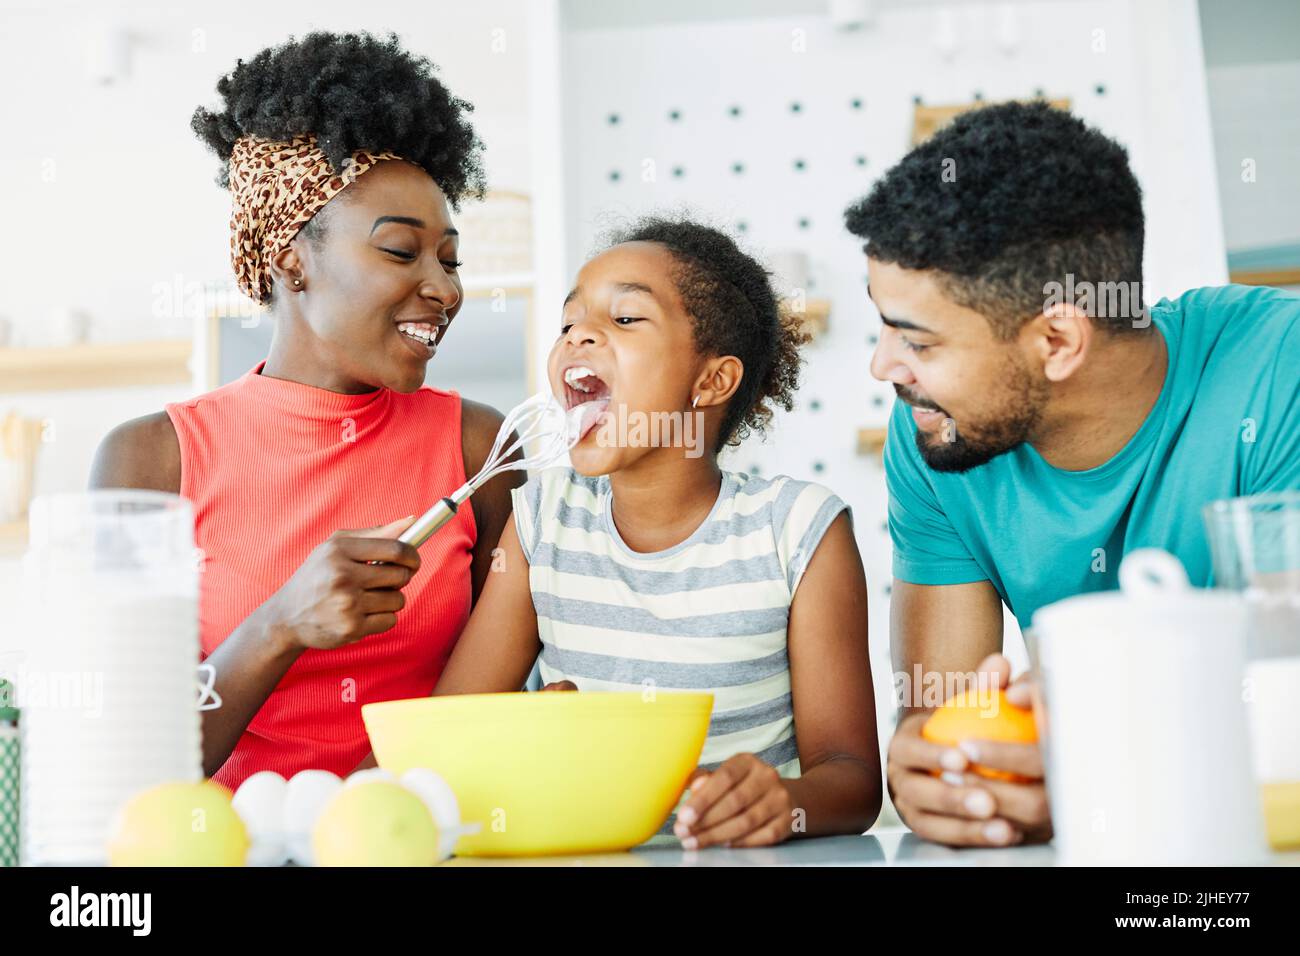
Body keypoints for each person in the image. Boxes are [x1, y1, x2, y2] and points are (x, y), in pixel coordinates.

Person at [843, 101, 1300, 847]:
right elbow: (941, 714)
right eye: (883, 324)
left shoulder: (1280, 370)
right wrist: (942, 774)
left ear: (1057, 339)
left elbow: (1292, 693)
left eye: (918, 343)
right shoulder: (935, 431)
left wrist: (1108, 762)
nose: (882, 367)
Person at [89, 32, 519, 788]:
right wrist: (278, 626)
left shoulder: (480, 448)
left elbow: (493, 703)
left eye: (449, 260)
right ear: (292, 258)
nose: (445, 289)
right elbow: (123, 760)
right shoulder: (151, 461)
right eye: (400, 251)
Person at [435, 216, 882, 848]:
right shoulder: (542, 519)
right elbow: (451, 730)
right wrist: (524, 732)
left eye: (624, 320)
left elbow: (853, 780)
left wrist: (784, 801)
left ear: (712, 381)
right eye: (568, 323)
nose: (578, 336)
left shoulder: (798, 531)